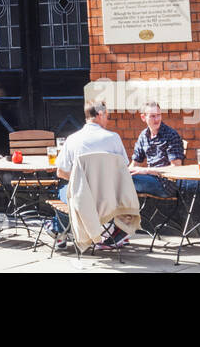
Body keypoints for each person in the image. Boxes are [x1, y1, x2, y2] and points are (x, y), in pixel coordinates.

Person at [54, 101, 131, 245]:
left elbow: (60, 172)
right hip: (108, 198)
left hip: (81, 197)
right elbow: (124, 169)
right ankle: (113, 230)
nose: (108, 119)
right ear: (100, 114)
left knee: (63, 192)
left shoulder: (72, 139)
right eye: (107, 115)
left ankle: (59, 231)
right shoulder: (113, 138)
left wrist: (81, 181)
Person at [128, 101, 186, 198]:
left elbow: (176, 168)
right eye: (152, 116)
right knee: (119, 178)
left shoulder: (171, 135)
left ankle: (124, 211)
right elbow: (134, 164)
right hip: (150, 179)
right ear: (143, 117)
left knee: (128, 180)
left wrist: (146, 171)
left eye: (158, 115)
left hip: (166, 184)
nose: (157, 119)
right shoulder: (143, 136)